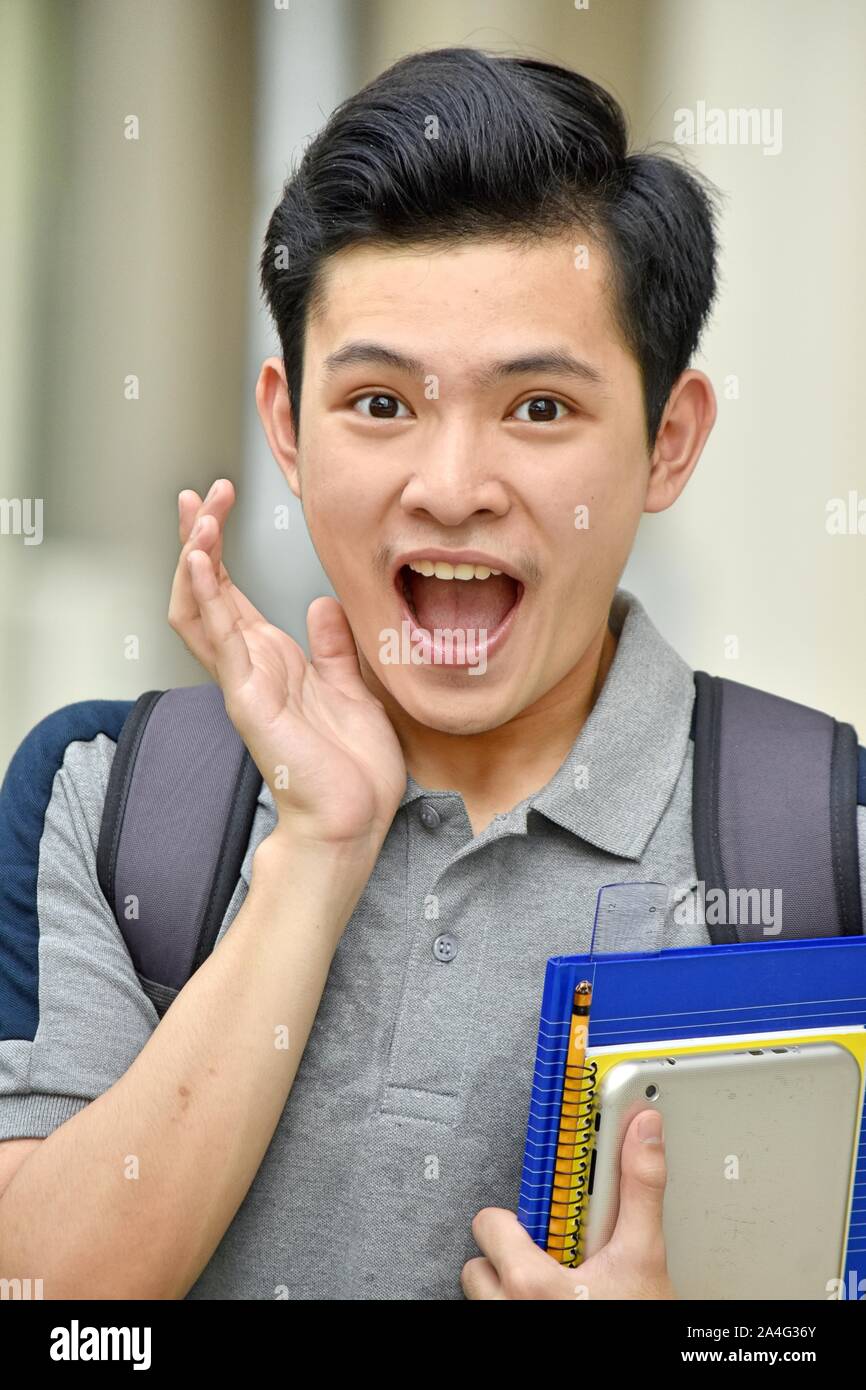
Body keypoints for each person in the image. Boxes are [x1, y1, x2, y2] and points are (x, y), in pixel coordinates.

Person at [0, 46, 853, 1301]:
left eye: (539, 411)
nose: (450, 488)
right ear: (286, 426)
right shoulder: (105, 798)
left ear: (667, 442)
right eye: (382, 404)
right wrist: (314, 848)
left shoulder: (825, 840)